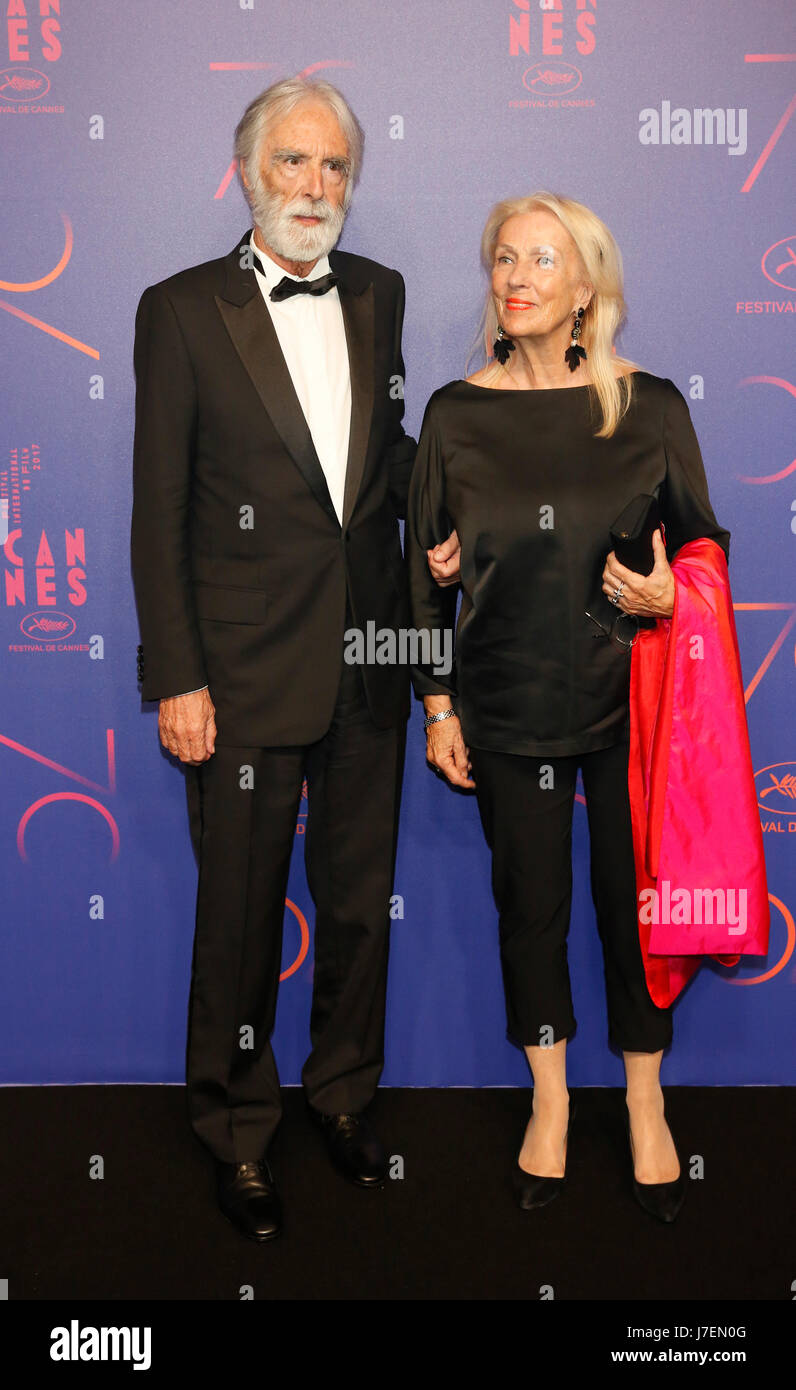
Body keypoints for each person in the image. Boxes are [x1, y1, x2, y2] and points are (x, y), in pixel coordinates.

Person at [130, 76, 456, 1242]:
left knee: (359, 908)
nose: (315, 188)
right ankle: (236, 1130)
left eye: (334, 169)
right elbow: (157, 507)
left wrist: (455, 495)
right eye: (293, 164)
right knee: (240, 919)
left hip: (367, 657)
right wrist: (177, 674)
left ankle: (344, 1098)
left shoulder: (381, 292)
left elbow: (388, 453)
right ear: (246, 171)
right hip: (239, 674)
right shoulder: (178, 310)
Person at [406, 191, 733, 1223]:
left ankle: (644, 1102)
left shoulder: (649, 405)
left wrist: (675, 593)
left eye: (542, 260)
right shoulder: (455, 415)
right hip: (504, 706)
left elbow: (705, 542)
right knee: (530, 907)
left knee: (635, 913)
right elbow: (420, 578)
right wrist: (436, 705)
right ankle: (547, 1101)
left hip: (633, 704)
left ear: (584, 287)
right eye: (503, 257)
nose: (516, 276)